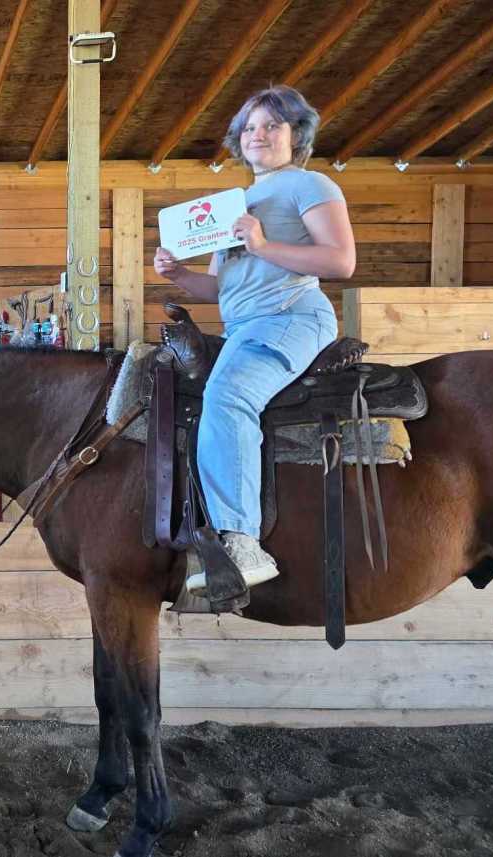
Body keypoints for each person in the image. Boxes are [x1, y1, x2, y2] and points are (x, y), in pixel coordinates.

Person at [152, 84, 355, 594]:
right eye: (249, 128)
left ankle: (241, 542)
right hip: (243, 324)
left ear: (296, 135)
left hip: (290, 314)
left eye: (272, 125)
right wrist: (178, 274)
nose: (258, 135)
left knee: (229, 395)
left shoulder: (309, 186)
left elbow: (339, 261)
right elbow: (220, 286)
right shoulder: (234, 203)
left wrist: (264, 243)